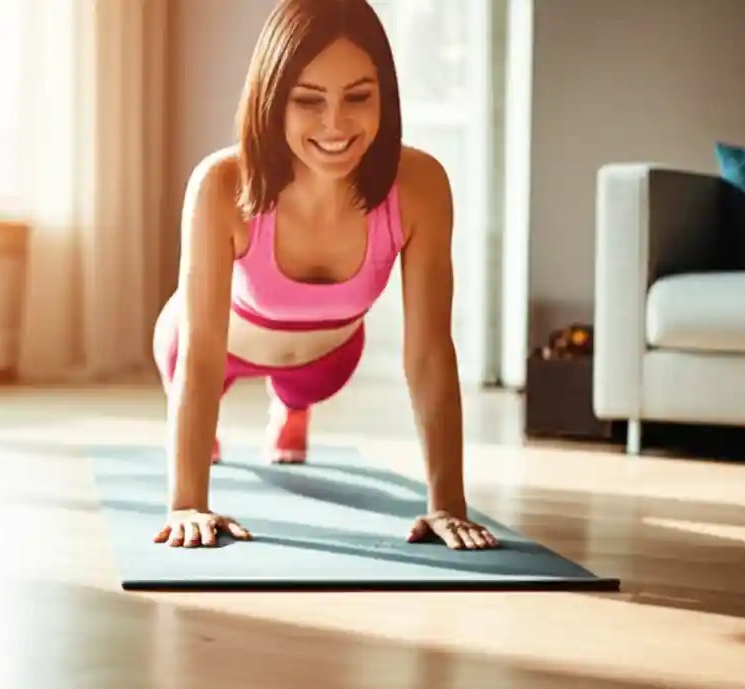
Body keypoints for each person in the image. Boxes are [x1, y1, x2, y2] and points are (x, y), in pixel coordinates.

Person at [151, 0, 499, 552]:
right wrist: (189, 501)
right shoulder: (220, 184)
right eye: (308, 101)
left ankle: (291, 406)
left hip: (325, 357)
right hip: (215, 345)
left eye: (358, 96)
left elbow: (429, 349)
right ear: (271, 101)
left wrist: (447, 505)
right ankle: (213, 433)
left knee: (308, 383)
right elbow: (201, 350)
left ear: (385, 93)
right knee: (192, 373)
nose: (335, 124)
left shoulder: (421, 184)